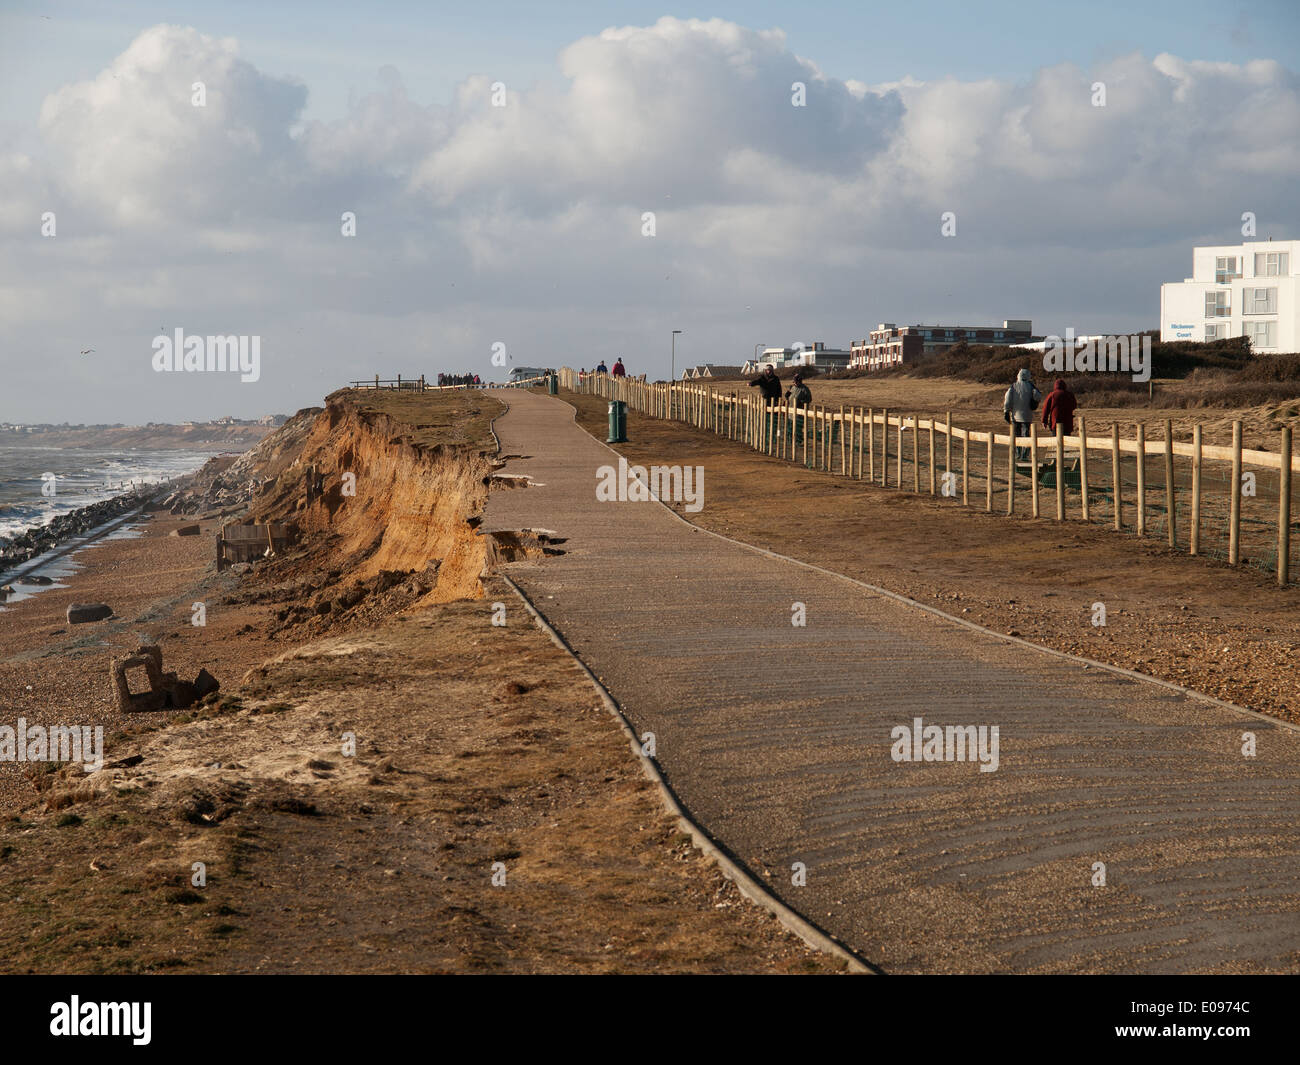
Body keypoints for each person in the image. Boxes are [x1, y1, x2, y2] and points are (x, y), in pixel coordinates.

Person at [1003, 368, 1042, 462]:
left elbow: (1008, 400)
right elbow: (1038, 396)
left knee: (1017, 435)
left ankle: (1018, 453)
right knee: (1026, 435)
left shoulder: (1013, 386)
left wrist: (1006, 411)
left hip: (1015, 415)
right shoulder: (1031, 386)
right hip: (1027, 415)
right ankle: (1025, 454)